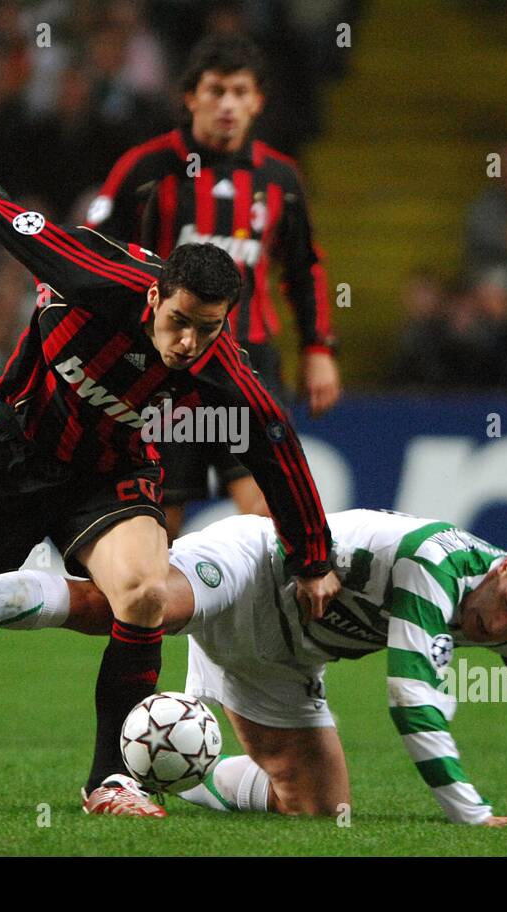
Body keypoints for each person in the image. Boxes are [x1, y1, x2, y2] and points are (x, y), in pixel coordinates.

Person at [0, 71, 338, 819]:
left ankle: (110, 780)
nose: (190, 342)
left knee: (143, 594)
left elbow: (276, 445)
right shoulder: (90, 274)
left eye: (211, 327)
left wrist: (314, 557)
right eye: (183, 321)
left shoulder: (222, 362)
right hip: (16, 458)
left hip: (114, 473)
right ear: (158, 294)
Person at [0, 510, 507, 829]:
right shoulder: (437, 565)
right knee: (132, 604)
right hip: (256, 564)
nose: (499, 625)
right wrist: (473, 817)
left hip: (291, 654)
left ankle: (183, 772)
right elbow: (413, 699)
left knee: (318, 807)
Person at [87, 36, 341, 539]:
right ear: (191, 97)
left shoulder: (280, 179)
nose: (228, 104)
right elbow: (95, 258)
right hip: (162, 369)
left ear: (257, 101)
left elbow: (303, 267)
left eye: (240, 91)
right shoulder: (145, 170)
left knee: (271, 513)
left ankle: (258, 616)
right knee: (160, 523)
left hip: (248, 362)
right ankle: (160, 617)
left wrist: (317, 348)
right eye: (216, 90)